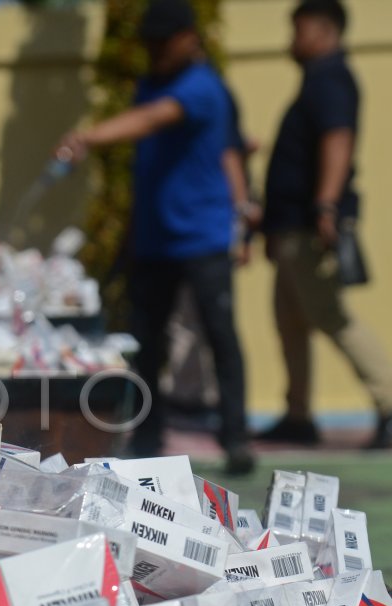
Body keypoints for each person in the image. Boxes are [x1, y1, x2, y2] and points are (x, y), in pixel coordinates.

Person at [57, 0, 254, 474]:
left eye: (165, 43)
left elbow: (152, 121)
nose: (157, 52)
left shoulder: (203, 86)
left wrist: (89, 137)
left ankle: (236, 437)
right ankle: (147, 437)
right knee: (147, 342)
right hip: (155, 240)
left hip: (203, 235)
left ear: (189, 38)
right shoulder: (151, 83)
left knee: (219, 335)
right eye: (151, 44)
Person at [258, 0, 392, 448]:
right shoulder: (320, 80)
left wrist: (326, 206)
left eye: (298, 30)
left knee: (331, 317)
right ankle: (298, 415)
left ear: (323, 30)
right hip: (292, 226)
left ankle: (390, 402)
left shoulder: (331, 78)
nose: (291, 41)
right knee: (291, 319)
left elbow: (339, 139)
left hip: (311, 224)